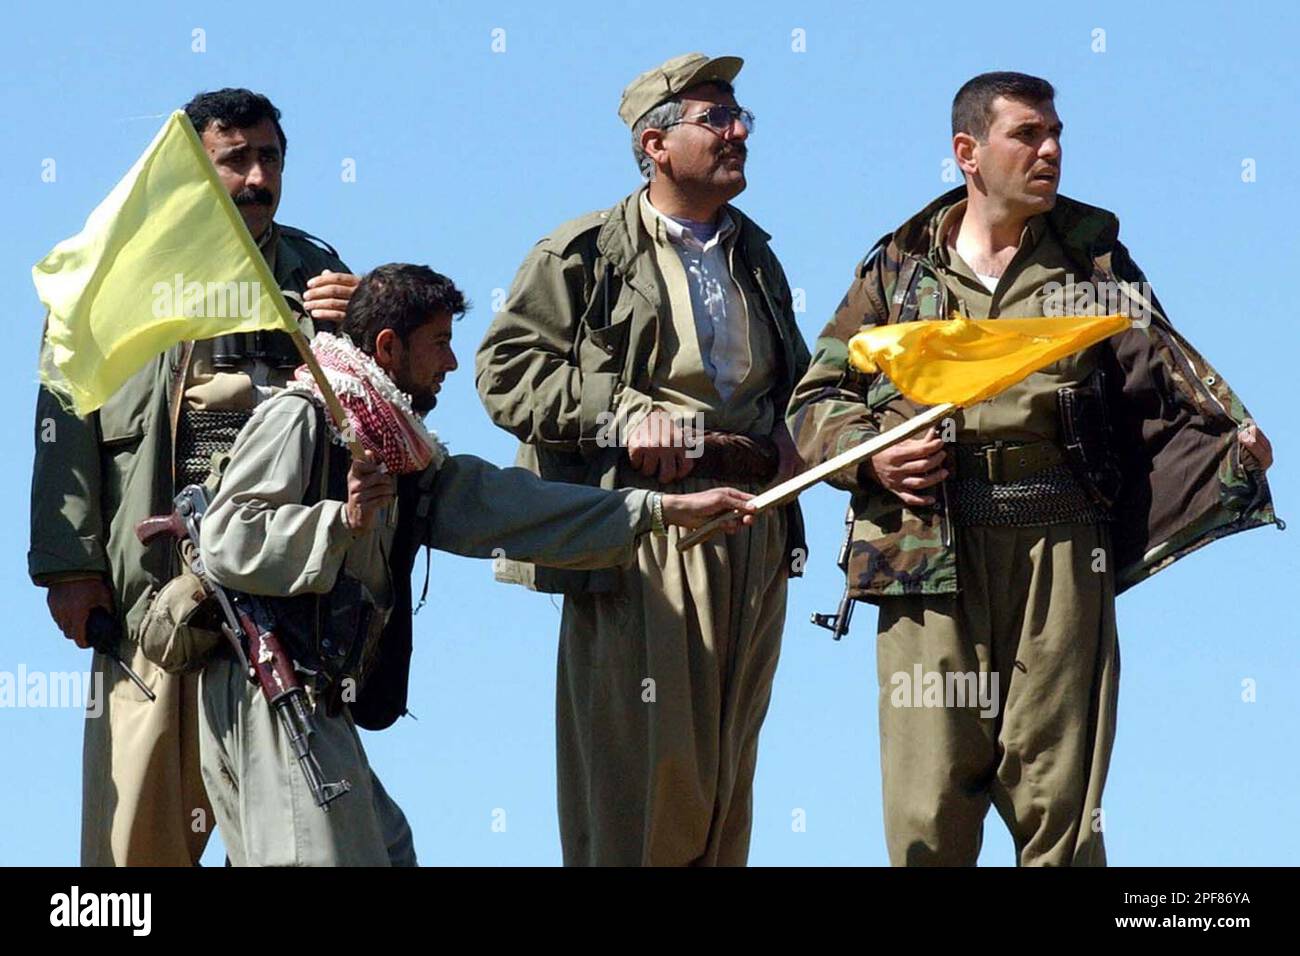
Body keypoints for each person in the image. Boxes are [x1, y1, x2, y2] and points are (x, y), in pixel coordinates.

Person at [786, 71, 1277, 866]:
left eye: (1056, 135)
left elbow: (1166, 377)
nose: (1050, 151)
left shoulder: (1093, 263)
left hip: (1060, 548)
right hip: (924, 553)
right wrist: (871, 458)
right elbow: (813, 400)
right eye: (1027, 135)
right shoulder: (898, 270)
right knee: (929, 808)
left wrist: (1234, 447)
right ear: (967, 153)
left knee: (1060, 805)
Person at [197, 263, 755, 865]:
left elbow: (509, 509)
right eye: (439, 343)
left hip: (315, 700)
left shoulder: (397, 450)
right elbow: (226, 538)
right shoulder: (305, 413)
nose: (452, 364)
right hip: (271, 688)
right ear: (388, 347)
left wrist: (660, 510)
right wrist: (340, 522)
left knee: (389, 850)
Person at [475, 53, 811, 865]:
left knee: (726, 781)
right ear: (654, 144)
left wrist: (812, 434)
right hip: (643, 531)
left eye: (742, 119)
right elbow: (504, 374)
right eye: (716, 119)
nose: (738, 133)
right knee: (644, 776)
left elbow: (791, 387)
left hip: (752, 524)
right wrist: (624, 417)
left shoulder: (756, 256)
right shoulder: (583, 251)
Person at [28, 88, 358, 866]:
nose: (256, 179)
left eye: (269, 157)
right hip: (149, 597)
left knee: (294, 833)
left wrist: (357, 326)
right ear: (194, 171)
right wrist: (70, 567)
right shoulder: (119, 274)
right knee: (133, 845)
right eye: (234, 160)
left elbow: (372, 415)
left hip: (279, 605)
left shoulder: (318, 274)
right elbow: (64, 424)